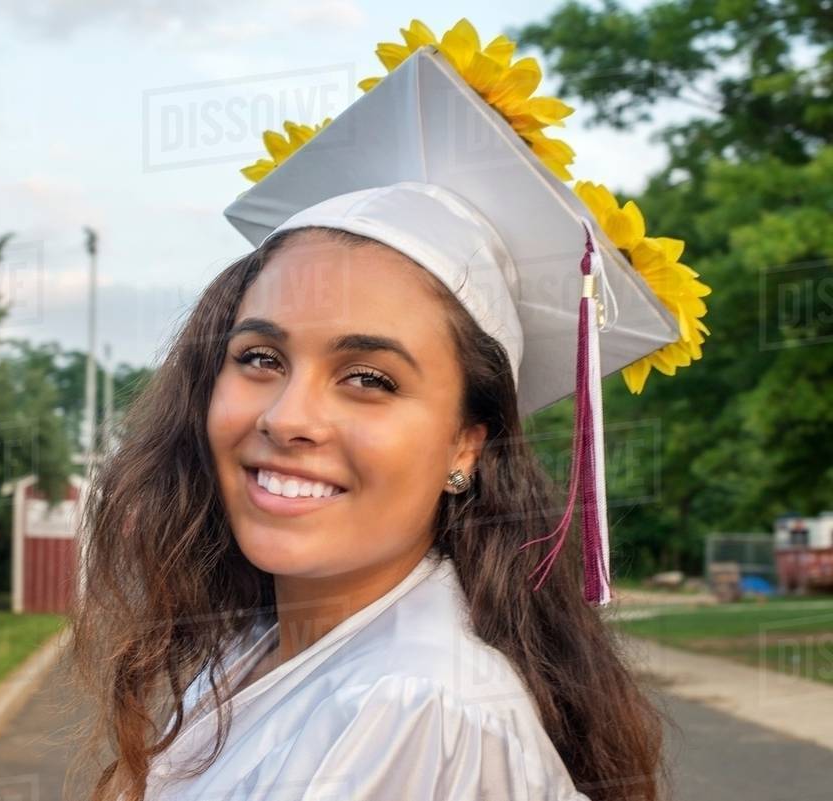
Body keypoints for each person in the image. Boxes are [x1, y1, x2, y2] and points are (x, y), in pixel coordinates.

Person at [67, 17, 708, 801]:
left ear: (465, 446)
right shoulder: (258, 648)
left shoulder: (413, 706)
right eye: (261, 358)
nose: (287, 416)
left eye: (369, 378)